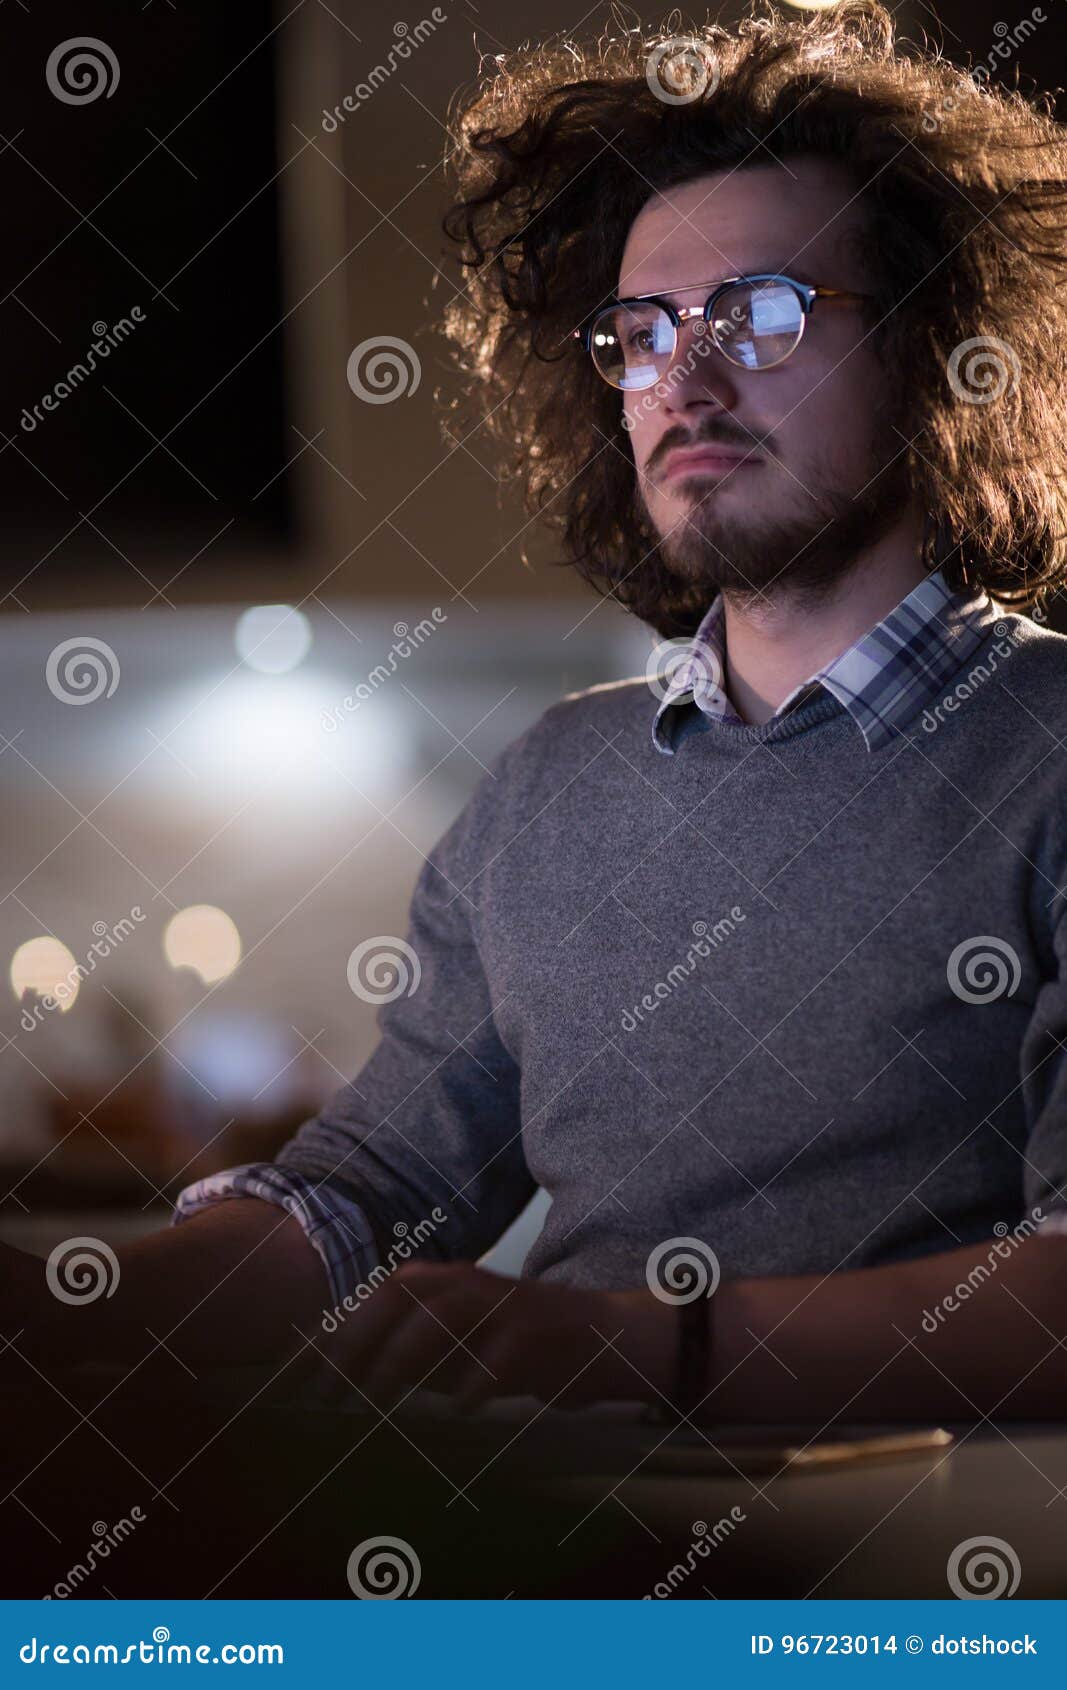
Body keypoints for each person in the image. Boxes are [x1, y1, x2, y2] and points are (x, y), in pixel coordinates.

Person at [7, 0, 1067, 1428]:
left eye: (760, 311)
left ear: (936, 352)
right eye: (639, 332)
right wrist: (87, 1317)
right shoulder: (550, 783)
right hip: (566, 1575)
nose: (683, 380)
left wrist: (641, 1351)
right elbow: (362, 1194)